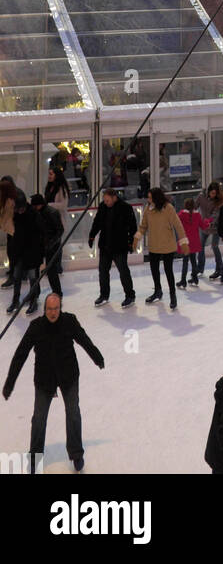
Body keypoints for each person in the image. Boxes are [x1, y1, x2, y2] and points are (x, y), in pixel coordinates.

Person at [2, 292, 105, 473]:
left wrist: (97, 357)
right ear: (44, 309)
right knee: (39, 419)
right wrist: (10, 382)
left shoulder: (69, 322)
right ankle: (35, 457)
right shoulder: (36, 327)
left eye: (56, 308)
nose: (52, 312)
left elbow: (83, 339)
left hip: (68, 376)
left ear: (60, 307)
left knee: (73, 414)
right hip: (44, 379)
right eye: (49, 309)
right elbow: (21, 354)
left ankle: (76, 454)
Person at [133, 186, 189, 309]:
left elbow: (178, 225)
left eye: (150, 197)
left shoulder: (168, 208)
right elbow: (143, 226)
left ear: (156, 198)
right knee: (154, 270)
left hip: (167, 246)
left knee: (168, 271)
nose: (148, 200)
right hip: (154, 246)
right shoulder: (148, 209)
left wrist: (183, 242)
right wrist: (137, 237)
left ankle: (173, 295)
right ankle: (158, 291)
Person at [88, 187, 137, 308]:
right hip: (105, 246)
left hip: (120, 246)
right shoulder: (103, 207)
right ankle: (104, 295)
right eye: (104, 200)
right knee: (103, 272)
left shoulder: (125, 208)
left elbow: (132, 227)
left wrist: (131, 242)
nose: (105, 202)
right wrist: (92, 236)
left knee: (123, 271)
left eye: (107, 200)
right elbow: (97, 222)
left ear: (114, 198)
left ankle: (130, 295)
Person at [6, 196, 44, 314]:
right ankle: (15, 301)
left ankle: (33, 301)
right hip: (19, 253)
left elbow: (41, 234)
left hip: (32, 253)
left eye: (21, 209)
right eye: (18, 209)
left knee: (33, 278)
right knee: (17, 277)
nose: (19, 211)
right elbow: (14, 235)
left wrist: (39, 252)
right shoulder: (16, 215)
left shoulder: (34, 215)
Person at [29, 194, 63, 301]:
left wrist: (51, 244)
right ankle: (34, 293)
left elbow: (59, 231)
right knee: (34, 268)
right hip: (40, 244)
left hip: (51, 246)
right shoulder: (36, 213)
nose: (33, 208)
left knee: (51, 270)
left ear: (40, 205)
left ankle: (57, 292)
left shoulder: (52, 212)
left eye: (35, 206)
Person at [177, 197, 211, 288]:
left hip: (186, 242)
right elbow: (203, 226)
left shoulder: (181, 214)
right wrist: (208, 222)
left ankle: (183, 280)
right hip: (194, 241)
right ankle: (195, 278)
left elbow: (175, 223)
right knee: (193, 261)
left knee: (185, 261)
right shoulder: (198, 215)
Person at [0, 174, 26, 288]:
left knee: (14, 253)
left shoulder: (18, 196)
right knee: (12, 252)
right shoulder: (8, 195)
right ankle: (16, 273)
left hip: (18, 230)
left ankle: (14, 276)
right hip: (11, 229)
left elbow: (21, 214)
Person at [198, 182, 223, 277]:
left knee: (214, 246)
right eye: (212, 193)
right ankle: (200, 269)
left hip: (215, 227)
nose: (214, 195)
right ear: (209, 191)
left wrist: (210, 222)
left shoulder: (219, 201)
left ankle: (220, 269)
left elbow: (216, 215)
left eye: (215, 193)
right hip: (204, 227)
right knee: (200, 246)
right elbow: (195, 206)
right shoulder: (201, 197)